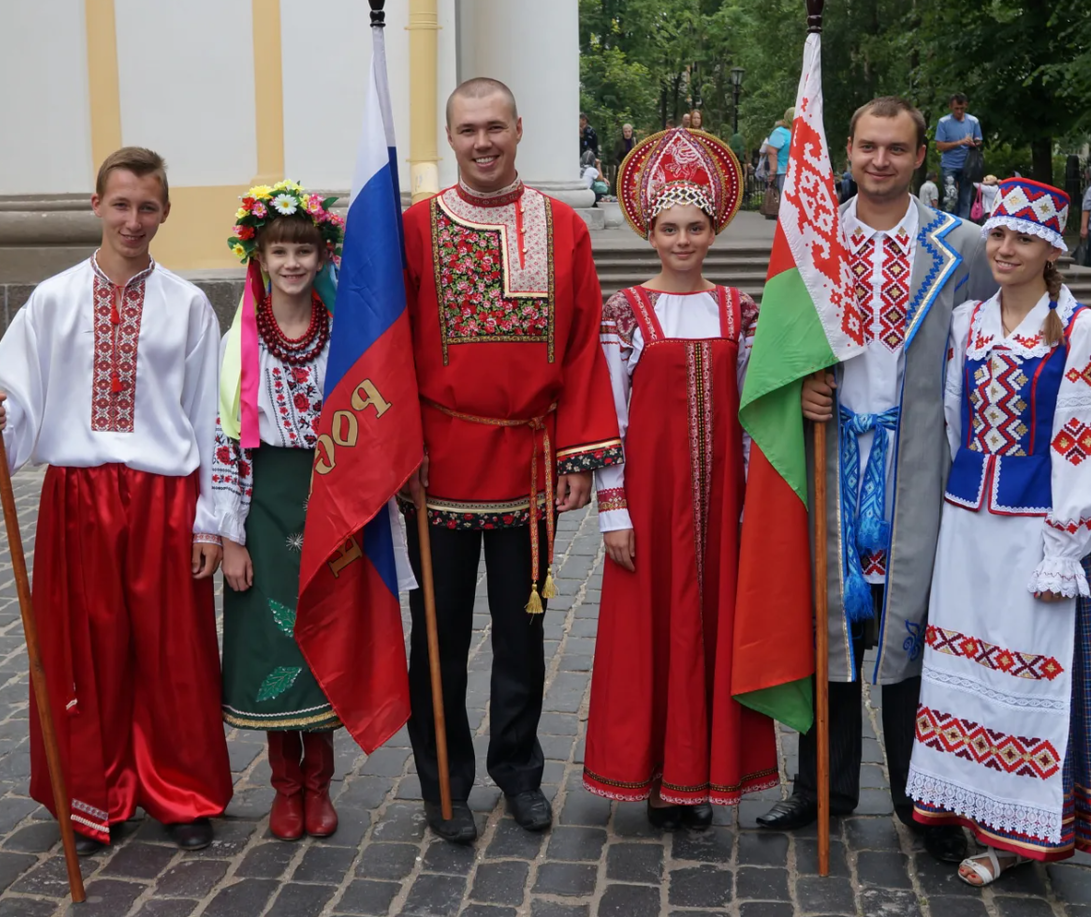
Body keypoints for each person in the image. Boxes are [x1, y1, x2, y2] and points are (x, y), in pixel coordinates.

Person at [0, 147, 232, 854]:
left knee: (173, 653)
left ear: (165, 212)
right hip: (80, 497)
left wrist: (210, 519)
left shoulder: (189, 306)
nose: (133, 220)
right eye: (121, 204)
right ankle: (92, 793)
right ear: (96, 206)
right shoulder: (52, 300)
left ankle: (181, 792)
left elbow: (209, 416)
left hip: (165, 497)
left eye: (147, 206)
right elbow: (17, 398)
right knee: (85, 649)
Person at [754, 98, 995, 866]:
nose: (880, 161)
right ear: (847, 152)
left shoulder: (964, 247)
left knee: (911, 630)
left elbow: (992, 352)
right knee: (827, 625)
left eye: (896, 149)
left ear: (923, 155)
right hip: (831, 457)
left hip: (920, 466)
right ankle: (820, 788)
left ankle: (921, 801)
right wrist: (802, 390)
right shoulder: (812, 242)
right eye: (867, 147)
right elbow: (775, 347)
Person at [400, 78, 623, 843]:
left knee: (523, 633)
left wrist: (579, 454)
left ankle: (519, 772)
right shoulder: (413, 228)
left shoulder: (564, 228)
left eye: (495, 127)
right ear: (451, 137)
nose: (483, 142)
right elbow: (387, 349)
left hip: (530, 461)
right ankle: (443, 784)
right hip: (437, 465)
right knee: (439, 635)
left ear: (519, 130)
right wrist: (397, 451)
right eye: (468, 130)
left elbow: (587, 338)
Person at [584, 128, 776, 829]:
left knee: (716, 632)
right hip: (651, 506)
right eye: (670, 228)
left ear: (714, 229)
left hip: (723, 505)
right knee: (651, 637)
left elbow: (756, 416)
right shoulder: (624, 314)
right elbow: (613, 421)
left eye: (696, 227)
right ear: (650, 231)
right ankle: (655, 773)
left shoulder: (740, 310)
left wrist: (758, 509)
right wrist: (614, 512)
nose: (683, 240)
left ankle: (708, 772)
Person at [907, 179, 1091, 884]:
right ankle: (976, 819)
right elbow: (955, 420)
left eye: (1022, 237)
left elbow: (1079, 437)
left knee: (1024, 667)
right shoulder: (969, 323)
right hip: (967, 522)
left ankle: (1019, 834)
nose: (1005, 248)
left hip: (1033, 530)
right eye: (998, 234)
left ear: (1052, 248)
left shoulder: (1076, 329)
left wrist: (1065, 543)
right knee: (968, 667)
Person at [213, 182, 344, 842]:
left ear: (322, 256)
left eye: (302, 249)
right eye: (278, 250)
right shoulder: (240, 343)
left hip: (329, 503)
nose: (291, 262)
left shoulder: (342, 334)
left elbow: (366, 421)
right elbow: (228, 442)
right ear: (258, 257)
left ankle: (318, 783)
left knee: (322, 641)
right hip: (264, 510)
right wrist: (229, 537)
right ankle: (284, 788)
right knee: (271, 642)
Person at [934, 92, 983, 219]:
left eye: (962, 108)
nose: (959, 111)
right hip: (949, 165)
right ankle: (947, 222)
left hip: (967, 165)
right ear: (950, 107)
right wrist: (960, 142)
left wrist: (974, 143)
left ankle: (963, 225)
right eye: (956, 108)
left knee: (965, 198)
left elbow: (979, 140)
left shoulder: (973, 121)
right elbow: (939, 146)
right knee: (950, 197)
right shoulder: (944, 122)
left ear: (966, 106)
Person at [766, 111, 793, 194]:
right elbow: (772, 153)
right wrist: (772, 172)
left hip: (800, 172)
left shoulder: (801, 131)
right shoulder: (780, 132)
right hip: (784, 173)